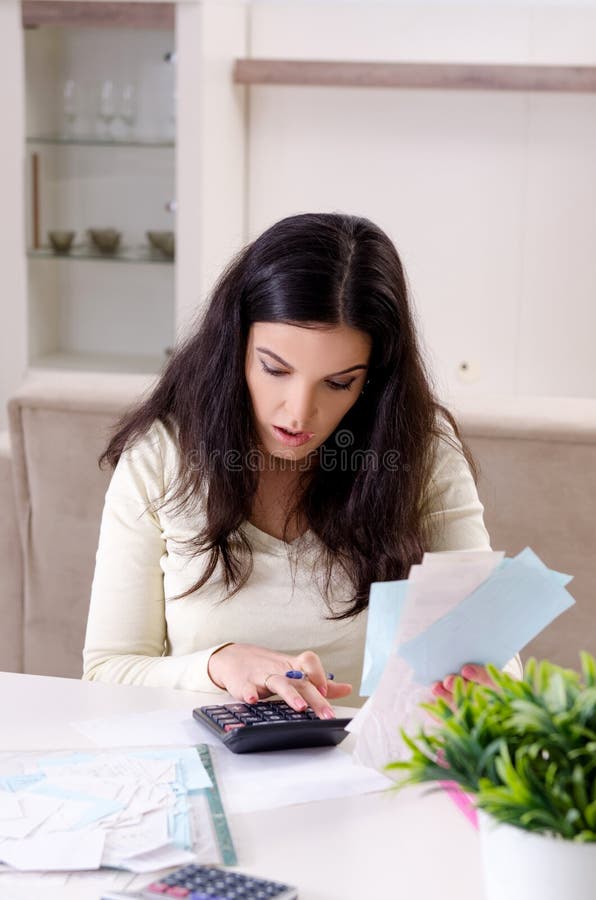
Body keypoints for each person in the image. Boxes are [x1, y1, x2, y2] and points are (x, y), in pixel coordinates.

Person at [83, 212, 520, 717]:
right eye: (274, 369)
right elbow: (106, 671)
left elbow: (493, 659)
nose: (298, 412)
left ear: (372, 381)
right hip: (206, 773)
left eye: (338, 383)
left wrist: (485, 683)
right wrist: (216, 665)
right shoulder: (162, 456)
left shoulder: (420, 454)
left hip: (370, 779)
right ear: (236, 346)